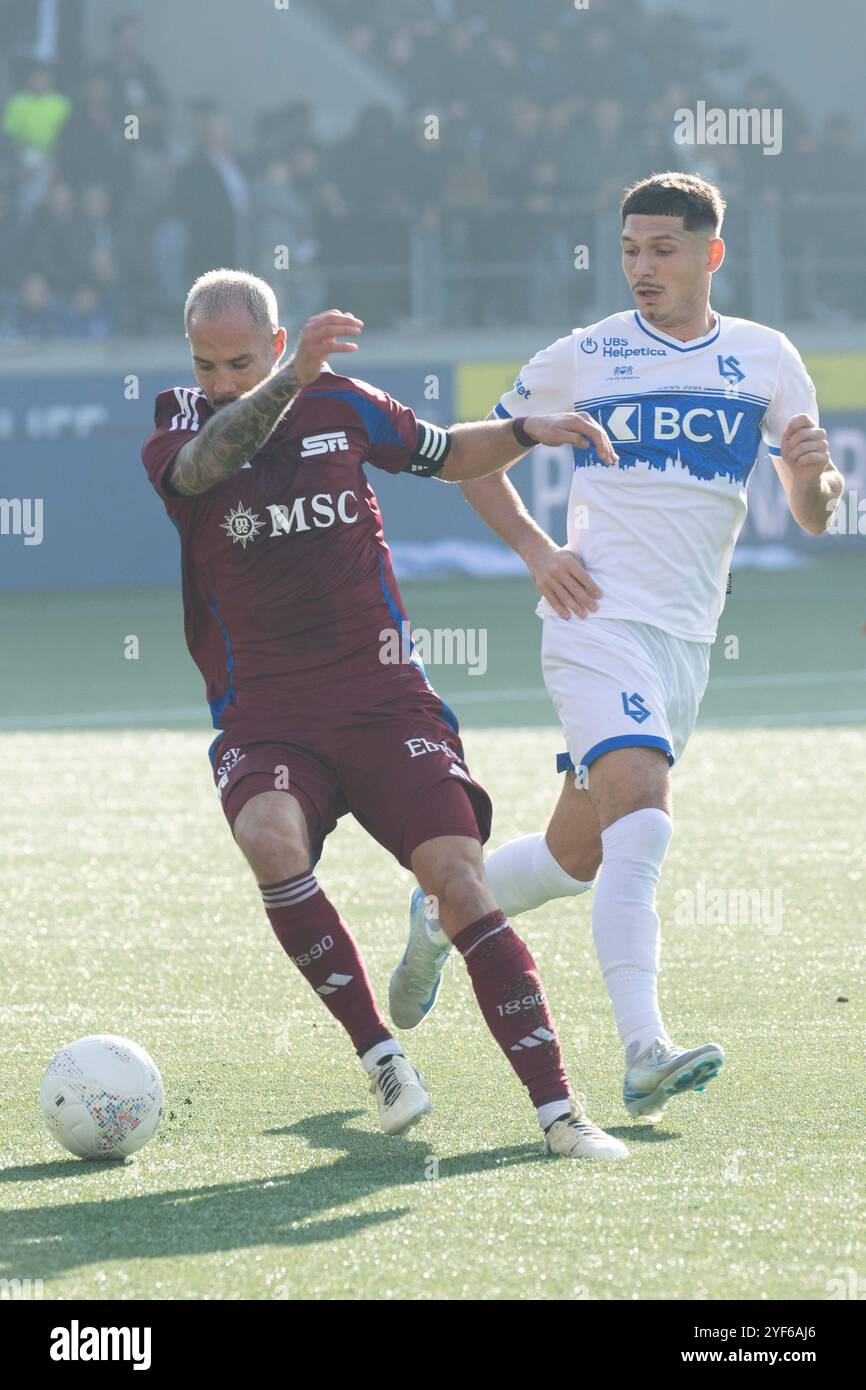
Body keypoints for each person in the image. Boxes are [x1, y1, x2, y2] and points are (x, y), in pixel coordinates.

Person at [141, 267, 627, 1160]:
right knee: (269, 837)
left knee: (462, 881)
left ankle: (561, 1113)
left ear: (277, 343)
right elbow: (204, 464)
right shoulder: (179, 420)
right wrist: (280, 385)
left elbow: (447, 453)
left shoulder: (343, 404)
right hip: (268, 712)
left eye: (241, 362)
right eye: (207, 365)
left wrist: (527, 431)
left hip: (382, 697)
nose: (221, 382)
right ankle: (380, 1054)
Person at [390, 171, 843, 1124]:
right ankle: (644, 1052)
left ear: (711, 255)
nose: (643, 266)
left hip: (687, 641)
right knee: (644, 813)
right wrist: (535, 550)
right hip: (594, 620)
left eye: (663, 250)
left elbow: (810, 510)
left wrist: (818, 482)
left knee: (577, 856)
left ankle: (439, 914)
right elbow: (474, 454)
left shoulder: (764, 358)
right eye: (630, 249)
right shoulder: (585, 355)